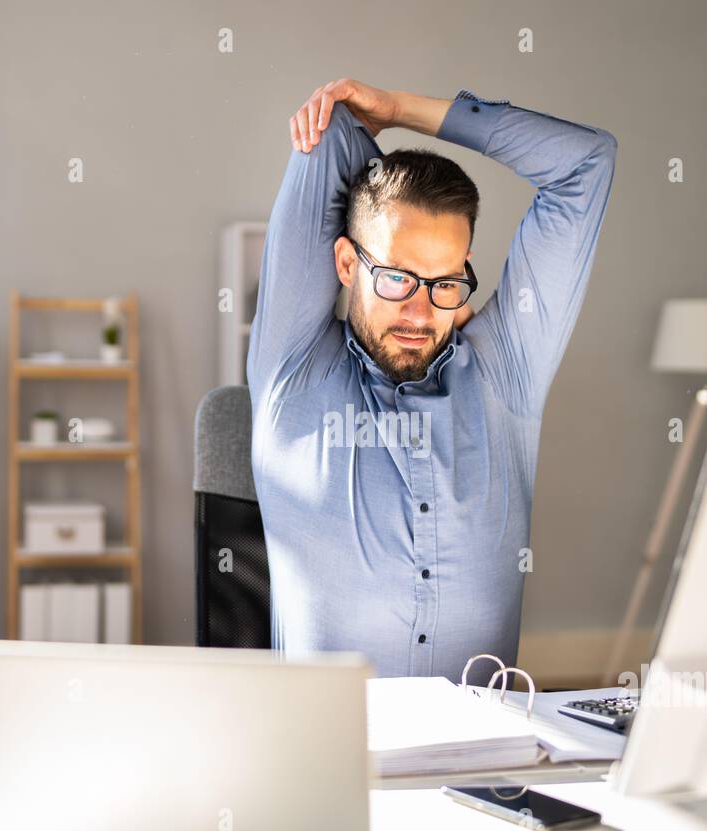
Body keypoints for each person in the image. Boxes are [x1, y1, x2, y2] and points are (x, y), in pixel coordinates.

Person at [247, 78, 616, 681]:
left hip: (484, 764)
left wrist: (402, 112)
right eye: (397, 278)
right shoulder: (294, 373)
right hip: (332, 762)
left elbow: (586, 163)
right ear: (346, 264)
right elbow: (334, 129)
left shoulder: (505, 374)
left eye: (445, 283)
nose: (422, 314)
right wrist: (369, 127)